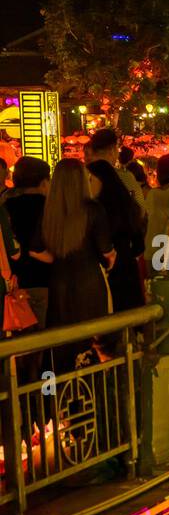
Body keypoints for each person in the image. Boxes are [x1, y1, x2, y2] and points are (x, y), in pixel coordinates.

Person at [37, 159, 114, 366]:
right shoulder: (93, 210)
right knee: (91, 336)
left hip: (59, 280)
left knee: (61, 339)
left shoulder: (49, 210)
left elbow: (35, 247)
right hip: (88, 280)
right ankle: (92, 388)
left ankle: (55, 390)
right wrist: (111, 257)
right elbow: (106, 248)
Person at [86, 160, 146, 311]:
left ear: (102, 180)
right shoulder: (128, 205)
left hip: (105, 272)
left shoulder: (96, 210)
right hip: (127, 268)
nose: (87, 184)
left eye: (90, 179)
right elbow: (139, 245)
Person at [3, 157, 52, 335]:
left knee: (20, 337)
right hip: (44, 279)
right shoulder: (49, 207)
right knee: (43, 337)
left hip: (16, 282)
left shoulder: (7, 207)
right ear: (43, 181)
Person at [84, 128, 145, 211]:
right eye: (118, 148)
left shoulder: (81, 175)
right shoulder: (124, 177)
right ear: (112, 150)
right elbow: (140, 210)